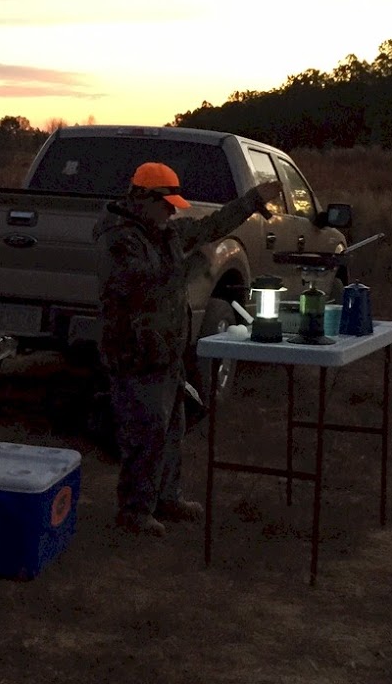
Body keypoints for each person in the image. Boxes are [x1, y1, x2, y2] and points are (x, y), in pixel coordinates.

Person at [93, 161, 280, 537]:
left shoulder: (162, 232)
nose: (173, 211)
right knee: (144, 435)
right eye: (167, 204)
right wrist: (185, 269)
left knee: (171, 429)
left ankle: (167, 497)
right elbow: (136, 284)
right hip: (136, 355)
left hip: (165, 353)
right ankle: (134, 512)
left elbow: (211, 226)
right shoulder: (118, 239)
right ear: (143, 198)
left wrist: (251, 201)